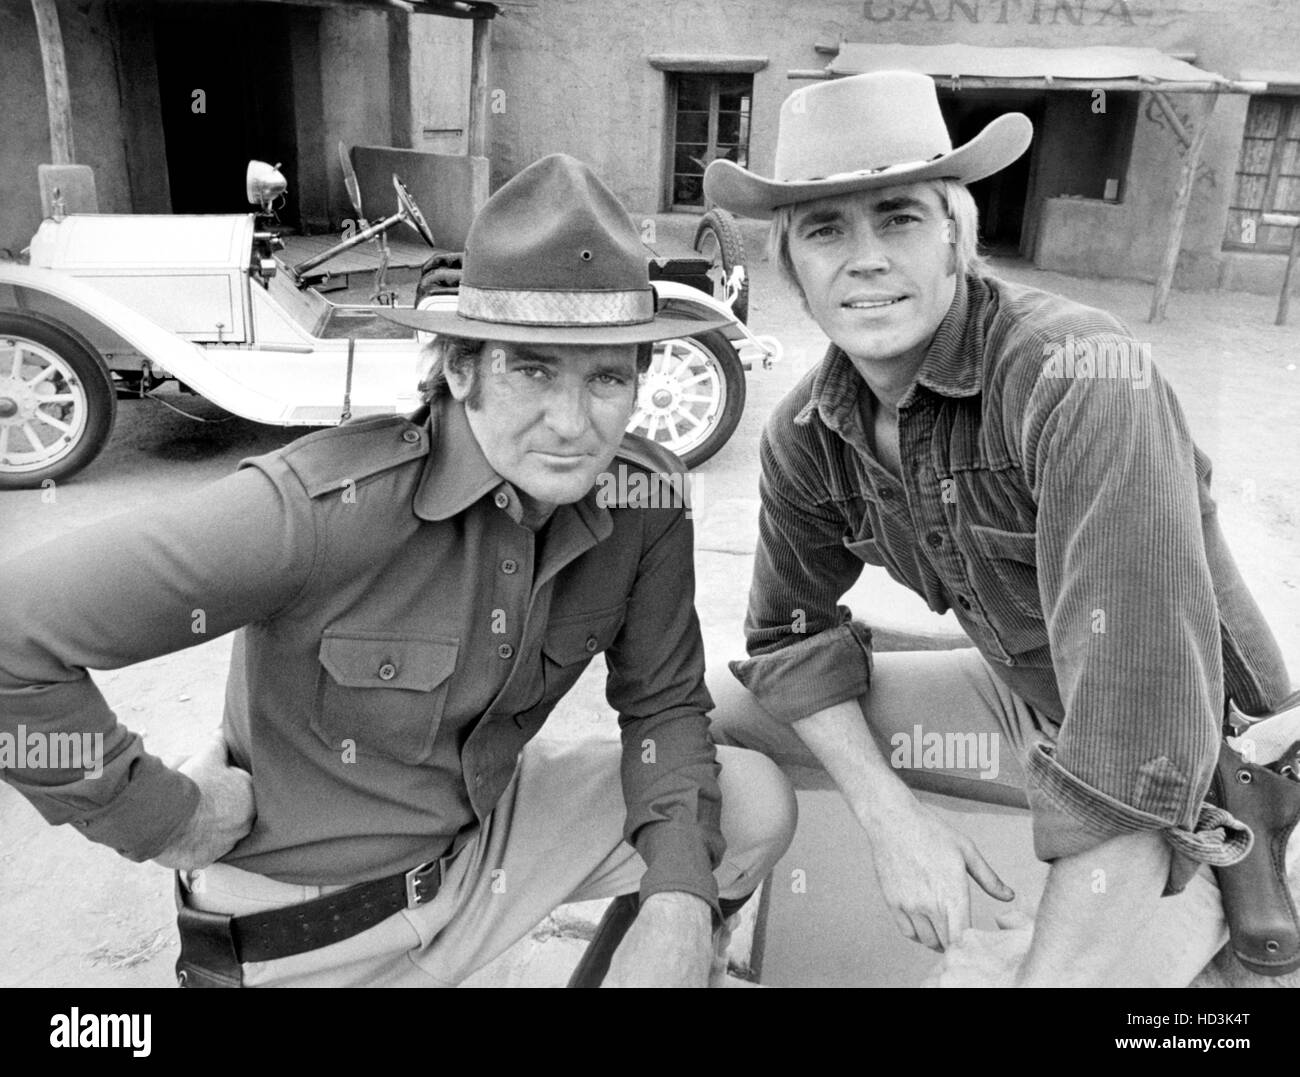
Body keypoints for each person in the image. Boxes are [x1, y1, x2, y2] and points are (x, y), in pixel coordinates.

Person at [0, 153, 796, 988]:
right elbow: (12, 633)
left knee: (748, 803)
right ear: (460, 368)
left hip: (482, 853)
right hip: (309, 926)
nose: (573, 422)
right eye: (531, 368)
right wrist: (169, 820)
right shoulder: (317, 509)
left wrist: (676, 903)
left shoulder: (644, 499)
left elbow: (664, 705)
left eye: (606, 376)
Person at [701, 70, 1298, 986]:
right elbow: (789, 636)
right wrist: (889, 814)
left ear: (957, 239)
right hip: (1029, 701)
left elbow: (1138, 732)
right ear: (794, 269)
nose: (865, 258)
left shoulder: (1078, 377)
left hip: (1209, 757)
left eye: (898, 218)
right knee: (713, 715)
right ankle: (713, 943)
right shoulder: (806, 435)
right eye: (826, 229)